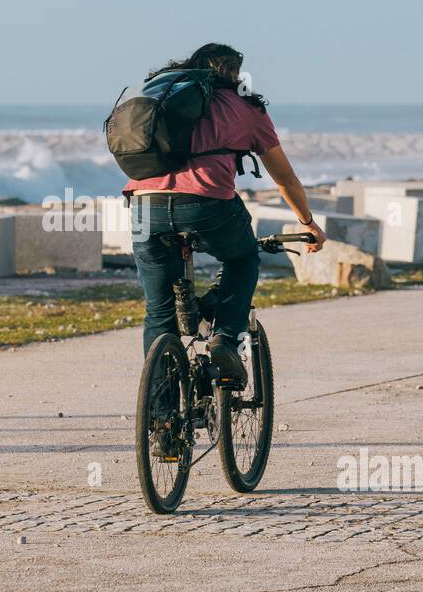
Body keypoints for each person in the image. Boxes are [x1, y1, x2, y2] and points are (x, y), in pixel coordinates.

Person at [123, 43, 326, 384]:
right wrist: (308, 223)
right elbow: (285, 178)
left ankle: (162, 421)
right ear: (235, 72)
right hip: (206, 204)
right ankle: (225, 341)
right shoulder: (246, 108)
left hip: (144, 205)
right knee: (243, 258)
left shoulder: (162, 97)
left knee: (159, 314)